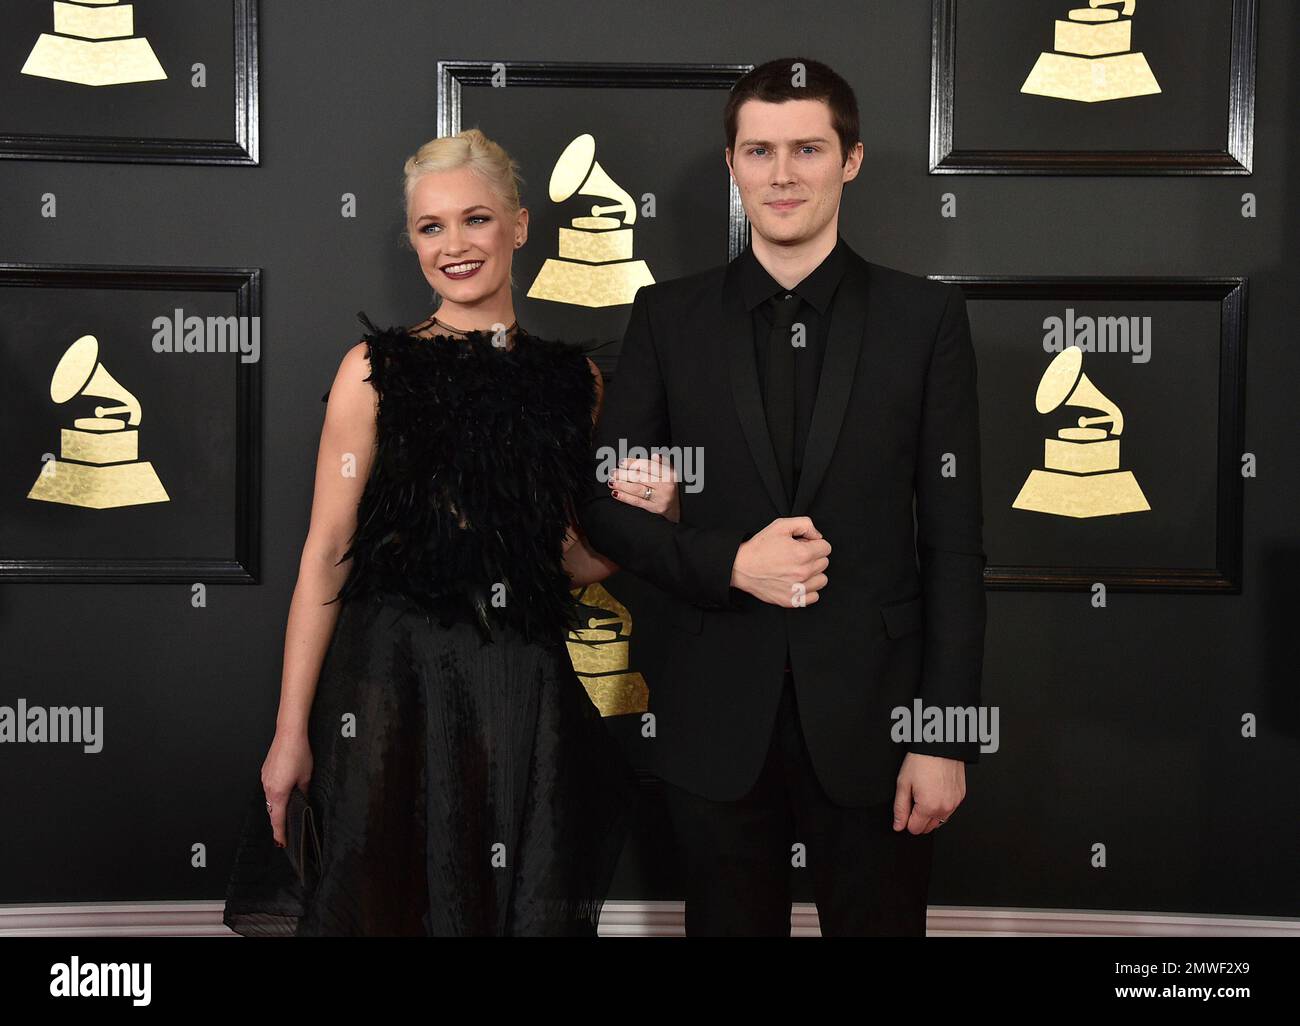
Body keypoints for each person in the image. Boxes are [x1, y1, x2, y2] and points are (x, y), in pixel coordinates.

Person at [579, 57, 988, 936]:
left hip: (883, 723)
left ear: (852, 160)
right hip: (712, 719)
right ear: (732, 164)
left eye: (808, 148)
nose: (782, 173)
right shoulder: (667, 316)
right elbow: (604, 507)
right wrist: (730, 562)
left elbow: (955, 545)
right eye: (759, 151)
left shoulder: (926, 321)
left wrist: (945, 733)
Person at [222, 128, 661, 936]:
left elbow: (560, 563)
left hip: (516, 691)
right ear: (414, 241)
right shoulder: (372, 372)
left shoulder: (576, 382)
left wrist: (650, 522)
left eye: (475, 220)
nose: (454, 245)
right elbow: (325, 558)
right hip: (389, 688)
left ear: (520, 226)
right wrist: (290, 734)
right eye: (431, 227)